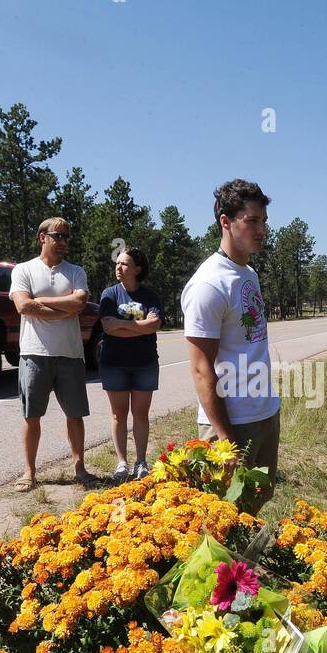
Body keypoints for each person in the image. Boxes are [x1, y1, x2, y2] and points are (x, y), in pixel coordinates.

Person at [182, 180, 279, 512]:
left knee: (254, 505)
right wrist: (224, 439)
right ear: (226, 221)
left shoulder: (248, 273)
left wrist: (270, 409)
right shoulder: (209, 284)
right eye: (251, 220)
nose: (261, 229)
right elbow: (200, 368)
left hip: (263, 412)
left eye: (263, 220)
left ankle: (247, 566)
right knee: (222, 514)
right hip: (231, 422)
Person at [8, 217, 94, 490]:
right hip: (34, 353)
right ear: (42, 237)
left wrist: (41, 301)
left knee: (75, 414)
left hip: (69, 353)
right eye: (58, 236)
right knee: (31, 416)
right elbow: (23, 306)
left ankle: (79, 468)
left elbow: (79, 302)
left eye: (67, 237)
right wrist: (63, 308)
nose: (64, 242)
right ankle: (29, 472)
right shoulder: (23, 270)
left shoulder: (76, 271)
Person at [99, 247, 162, 482]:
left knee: (141, 415)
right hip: (114, 363)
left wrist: (122, 326)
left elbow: (154, 324)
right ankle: (122, 463)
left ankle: (141, 462)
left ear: (137, 269)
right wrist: (140, 327)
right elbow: (107, 326)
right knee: (118, 415)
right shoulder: (110, 293)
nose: (119, 267)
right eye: (118, 263)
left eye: (125, 264)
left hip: (144, 363)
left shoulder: (150, 296)